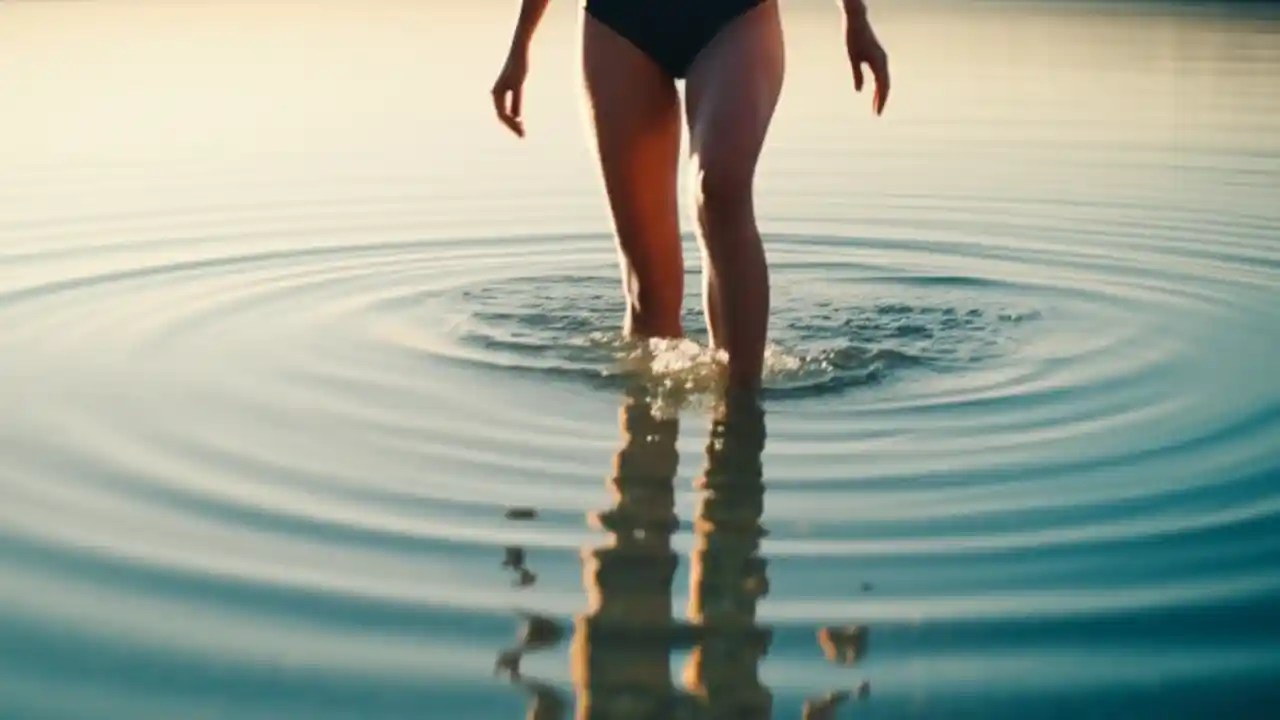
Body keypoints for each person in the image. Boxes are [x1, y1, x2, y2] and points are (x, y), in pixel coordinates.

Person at [492, 0, 889, 392]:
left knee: (717, 188)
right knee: (650, 293)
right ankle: (647, 434)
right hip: (618, 19)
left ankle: (741, 417)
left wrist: (854, 17)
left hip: (733, 14)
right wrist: (519, 46)